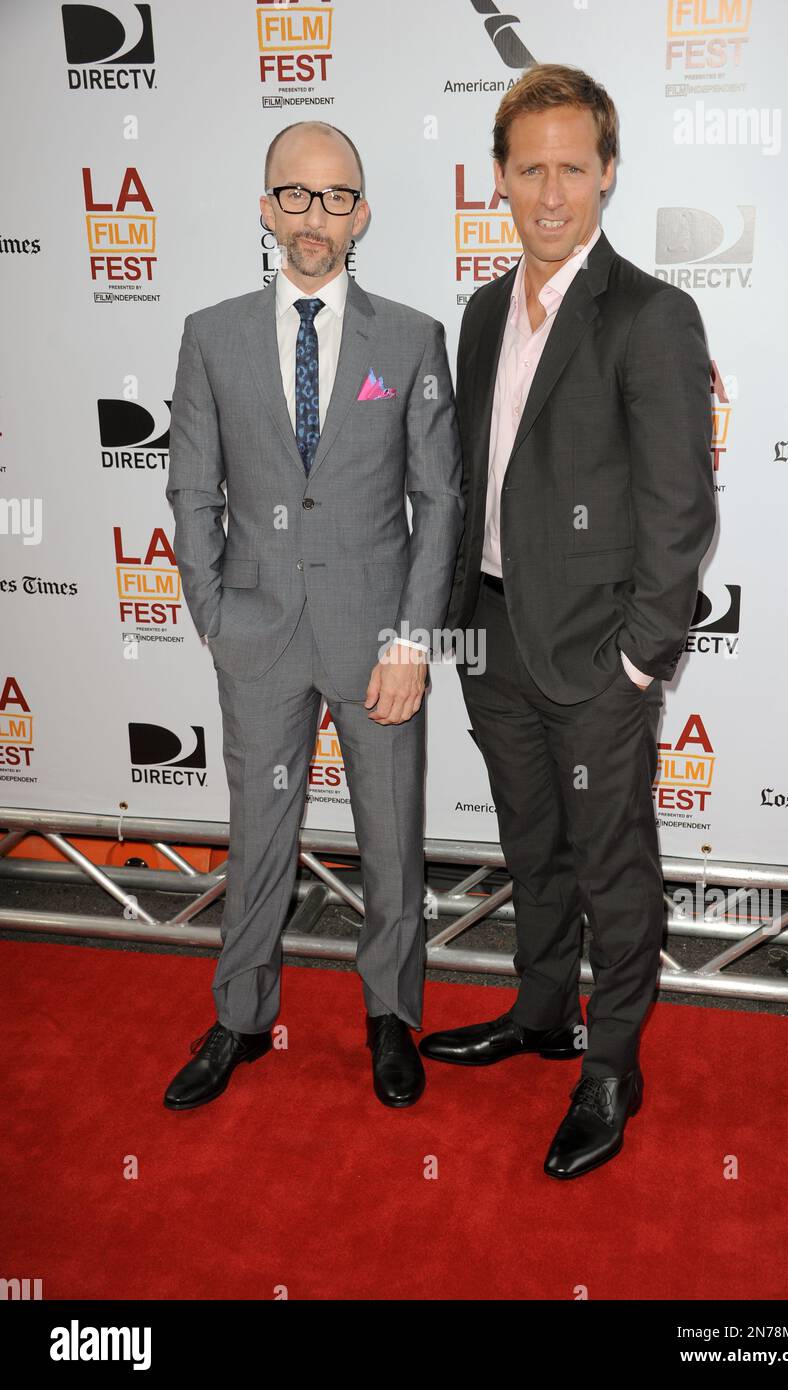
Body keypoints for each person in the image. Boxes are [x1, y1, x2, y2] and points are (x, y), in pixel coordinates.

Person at [419, 65, 716, 1177]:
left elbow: (679, 510)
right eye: (529, 168)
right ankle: (542, 1011)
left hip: (595, 657)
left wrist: (639, 664)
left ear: (606, 173)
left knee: (611, 864)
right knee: (530, 847)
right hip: (489, 635)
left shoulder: (649, 314)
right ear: (498, 177)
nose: (551, 193)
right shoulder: (485, 308)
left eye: (572, 169)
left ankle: (613, 1062)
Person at [164, 120, 463, 1112]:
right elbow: (190, 491)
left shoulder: (413, 338)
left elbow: (441, 502)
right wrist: (213, 613)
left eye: (336, 198)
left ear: (361, 216)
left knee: (389, 837)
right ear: (265, 207)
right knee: (257, 836)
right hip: (255, 632)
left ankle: (389, 1016)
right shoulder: (209, 336)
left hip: (380, 636)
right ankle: (241, 1020)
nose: (314, 216)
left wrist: (416, 637)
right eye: (295, 194)